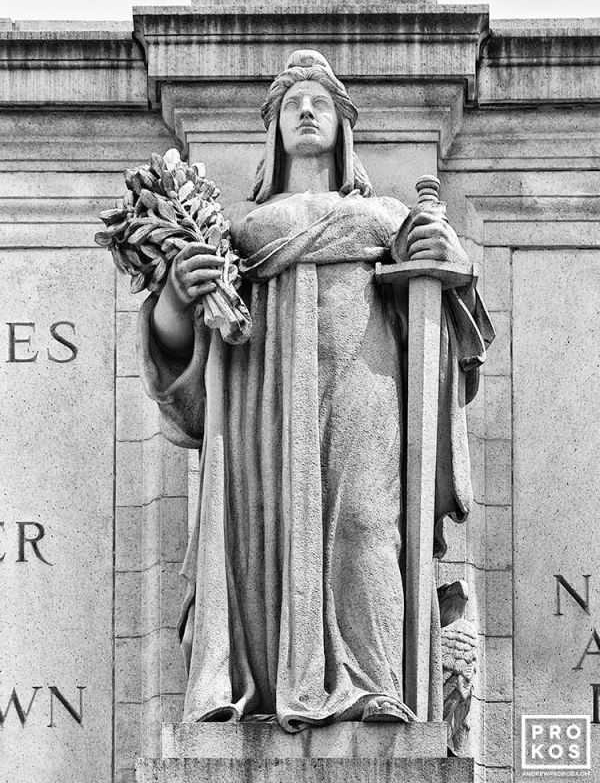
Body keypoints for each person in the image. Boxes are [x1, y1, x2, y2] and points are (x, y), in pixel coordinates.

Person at [138, 49, 494, 731]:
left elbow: (454, 327)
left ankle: (375, 681)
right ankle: (256, 682)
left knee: (366, 523)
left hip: (366, 386)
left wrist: (452, 265)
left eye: (320, 102)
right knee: (256, 539)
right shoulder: (240, 236)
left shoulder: (388, 220)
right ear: (273, 130)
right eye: (293, 104)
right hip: (262, 402)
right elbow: (180, 357)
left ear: (343, 126)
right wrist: (178, 297)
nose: (306, 111)